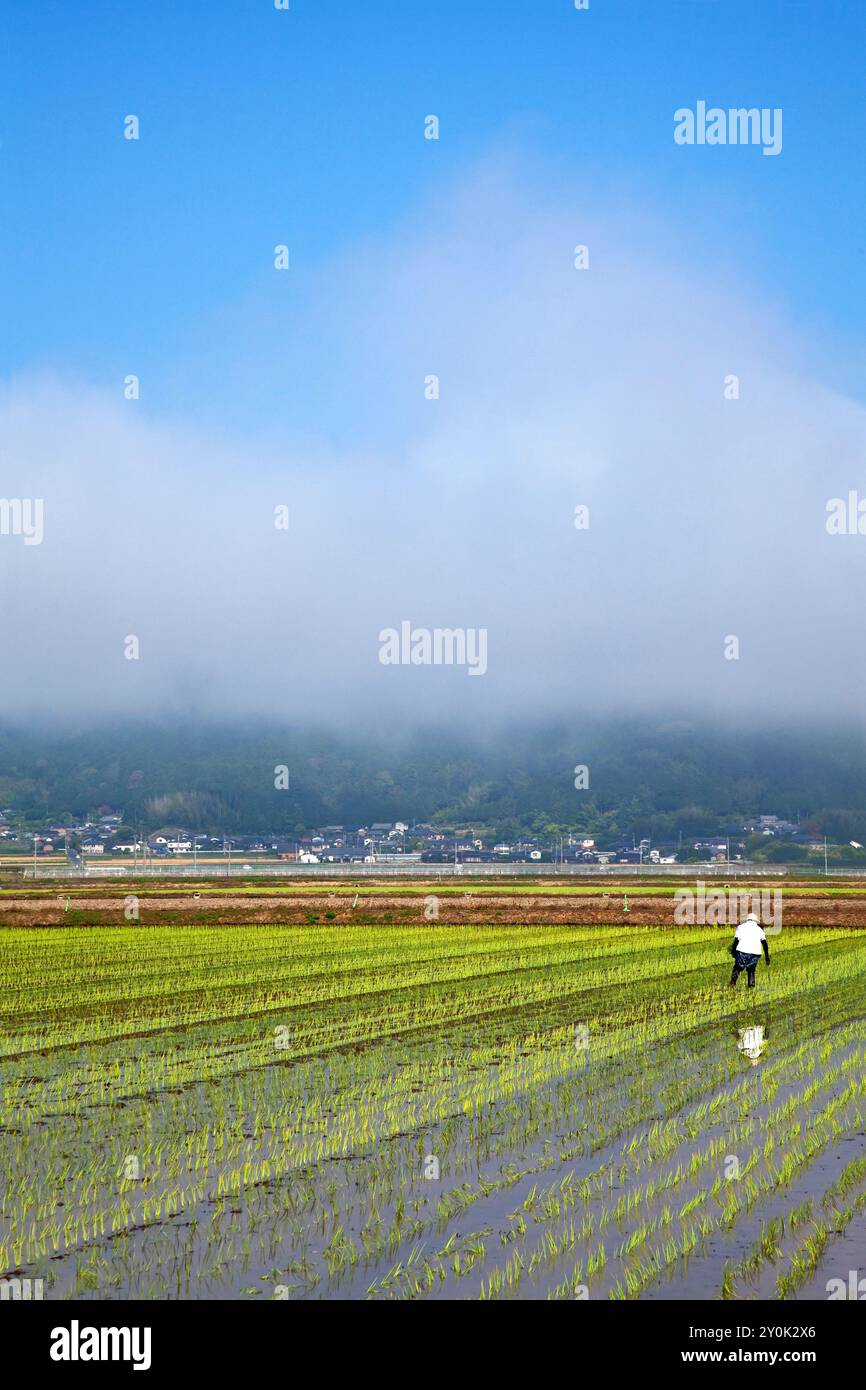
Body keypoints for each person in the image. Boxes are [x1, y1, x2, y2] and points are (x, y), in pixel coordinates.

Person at [728, 911, 770, 988]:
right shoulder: (759, 930)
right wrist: (767, 957)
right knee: (751, 970)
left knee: (737, 968)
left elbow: (736, 941)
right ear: (756, 921)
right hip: (755, 953)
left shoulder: (741, 927)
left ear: (747, 920)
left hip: (742, 951)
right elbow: (764, 944)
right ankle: (751, 986)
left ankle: (732, 984)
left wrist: (733, 952)